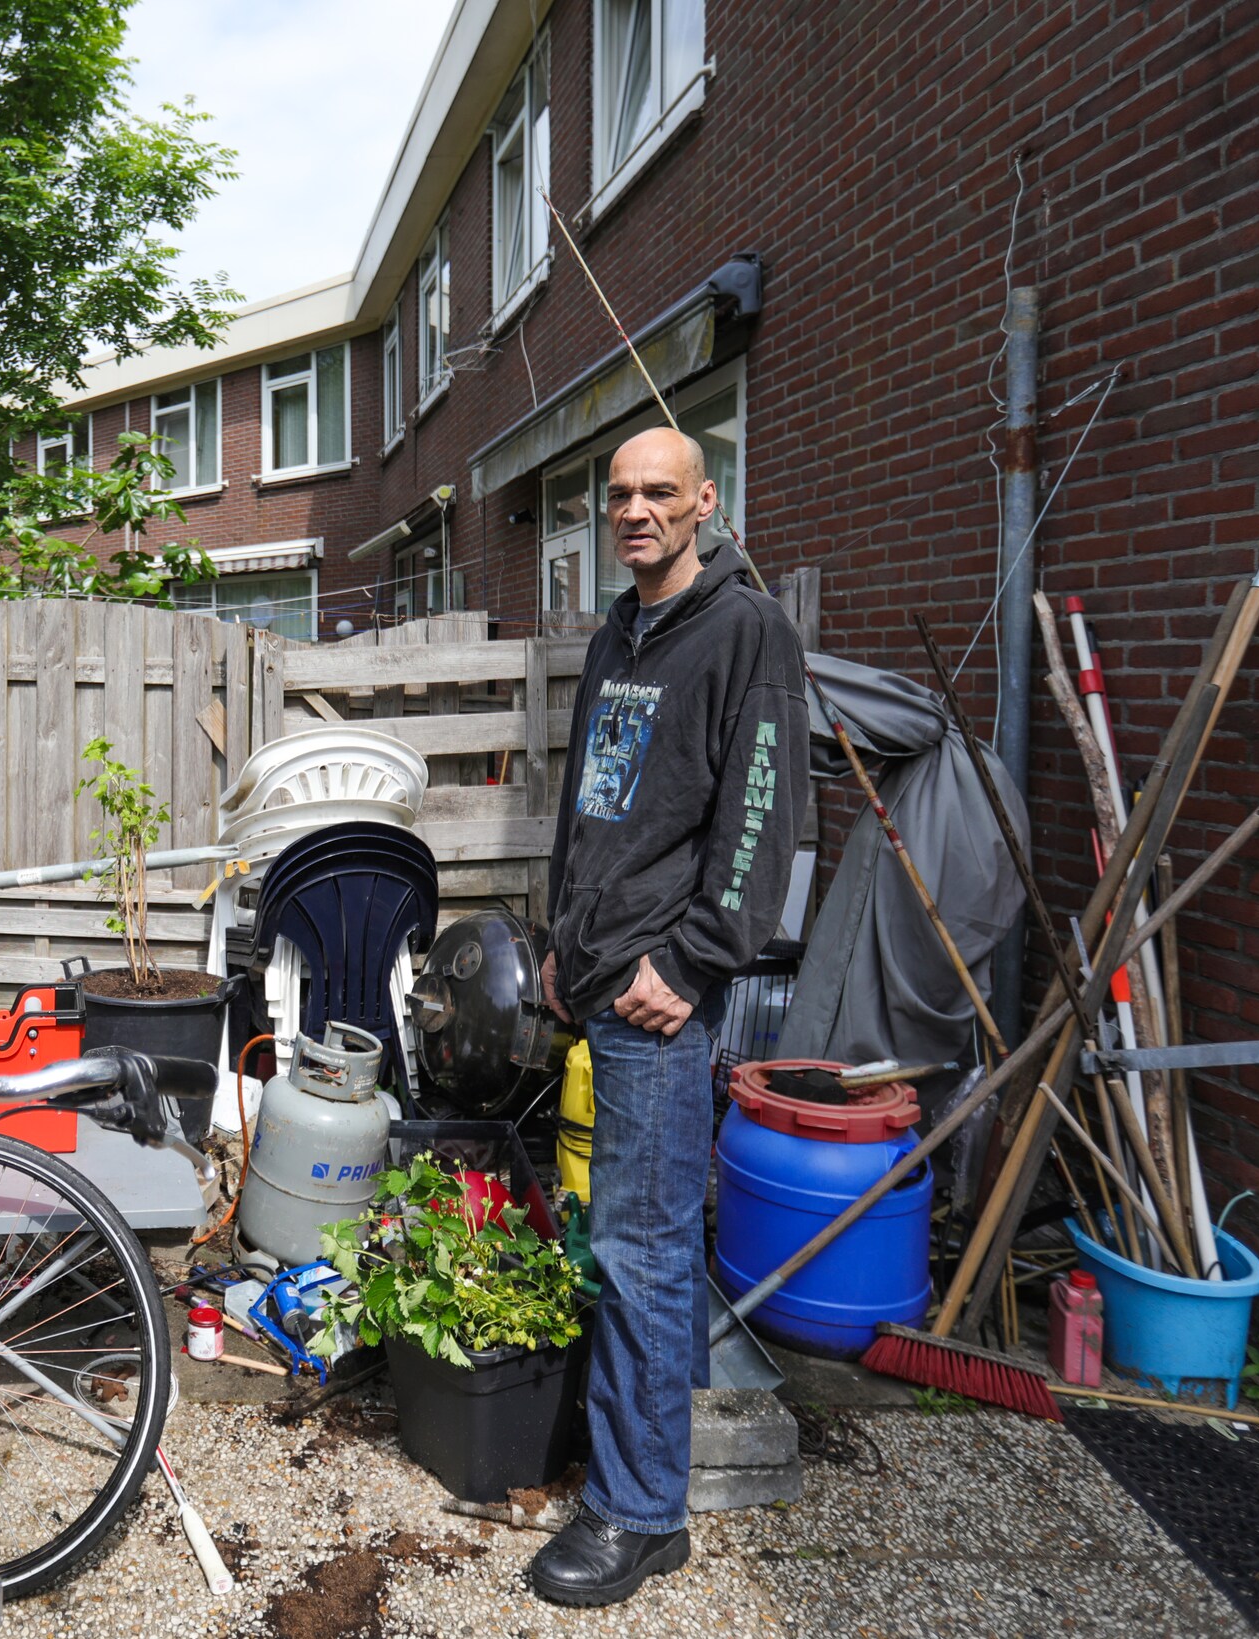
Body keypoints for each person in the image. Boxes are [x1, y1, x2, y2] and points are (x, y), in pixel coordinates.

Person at [527, 427, 809, 1607]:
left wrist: (691, 960)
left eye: (657, 492)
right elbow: (589, 803)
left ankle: (639, 1514)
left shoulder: (744, 632)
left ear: (704, 502)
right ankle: (634, 1465)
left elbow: (762, 816)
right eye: (618, 495)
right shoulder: (618, 633)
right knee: (623, 1239)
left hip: (657, 997)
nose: (634, 510)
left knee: (639, 1249)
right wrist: (560, 936)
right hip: (596, 971)